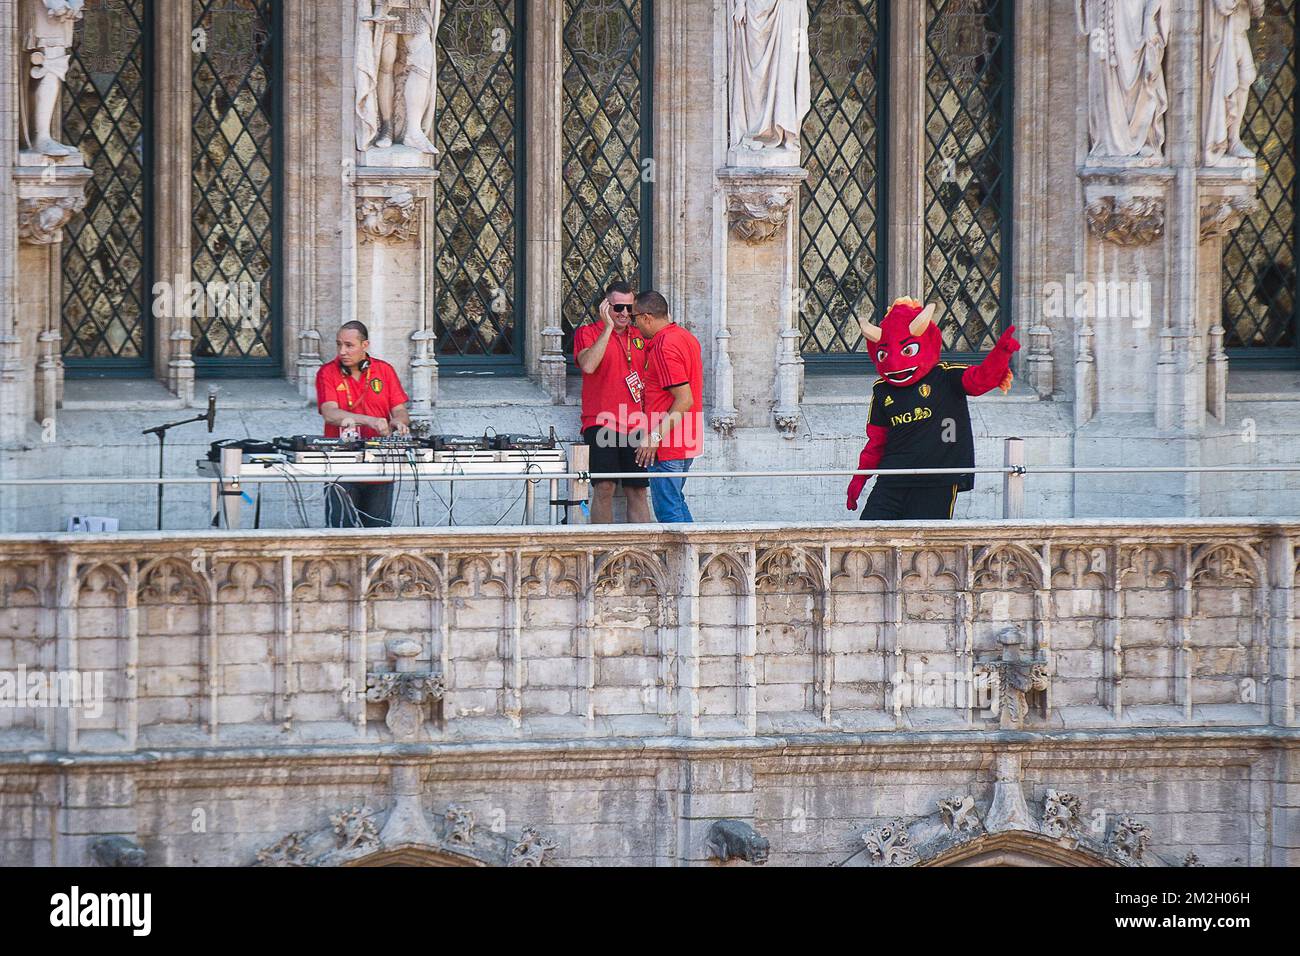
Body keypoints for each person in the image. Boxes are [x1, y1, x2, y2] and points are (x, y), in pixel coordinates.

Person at [845, 297, 1020, 520]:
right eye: (884, 354)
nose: (894, 364)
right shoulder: (882, 390)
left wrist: (1000, 355)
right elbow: (876, 441)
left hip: (937, 479)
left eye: (907, 351)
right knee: (869, 541)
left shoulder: (946, 376)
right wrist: (860, 477)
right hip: (892, 479)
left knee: (926, 547)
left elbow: (979, 380)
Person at [315, 321, 412, 527]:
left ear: (365, 345)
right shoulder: (327, 372)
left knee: (379, 535)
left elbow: (400, 411)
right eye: (339, 344)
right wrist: (370, 421)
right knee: (342, 535)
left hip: (380, 465)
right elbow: (330, 413)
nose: (342, 351)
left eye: (349, 345)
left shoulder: (384, 370)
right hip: (341, 465)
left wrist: (398, 421)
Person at [574, 281, 652, 524]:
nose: (625, 314)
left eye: (630, 308)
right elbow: (588, 365)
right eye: (618, 308)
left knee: (637, 490)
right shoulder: (588, 332)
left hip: (635, 424)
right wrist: (607, 328)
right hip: (601, 422)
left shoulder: (640, 335)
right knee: (604, 487)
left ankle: (643, 555)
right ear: (606, 306)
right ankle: (602, 552)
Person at [632, 291, 703, 523]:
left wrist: (654, 437)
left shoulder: (663, 344)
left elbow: (684, 398)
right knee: (676, 502)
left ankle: (683, 560)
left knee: (668, 510)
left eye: (635, 318)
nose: (635, 324)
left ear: (646, 318)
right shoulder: (686, 337)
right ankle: (694, 557)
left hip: (668, 443)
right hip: (686, 438)